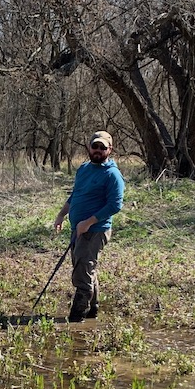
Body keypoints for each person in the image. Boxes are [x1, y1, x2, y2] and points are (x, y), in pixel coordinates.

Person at [53, 130, 125, 322]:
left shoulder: (113, 175)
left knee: (82, 275)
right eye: (95, 146)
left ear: (110, 150)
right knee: (86, 269)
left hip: (95, 231)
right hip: (79, 229)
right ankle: (93, 311)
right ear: (89, 147)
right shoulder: (84, 169)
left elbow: (115, 205)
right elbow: (75, 195)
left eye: (103, 148)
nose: (98, 150)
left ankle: (76, 320)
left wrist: (88, 222)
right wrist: (61, 215)